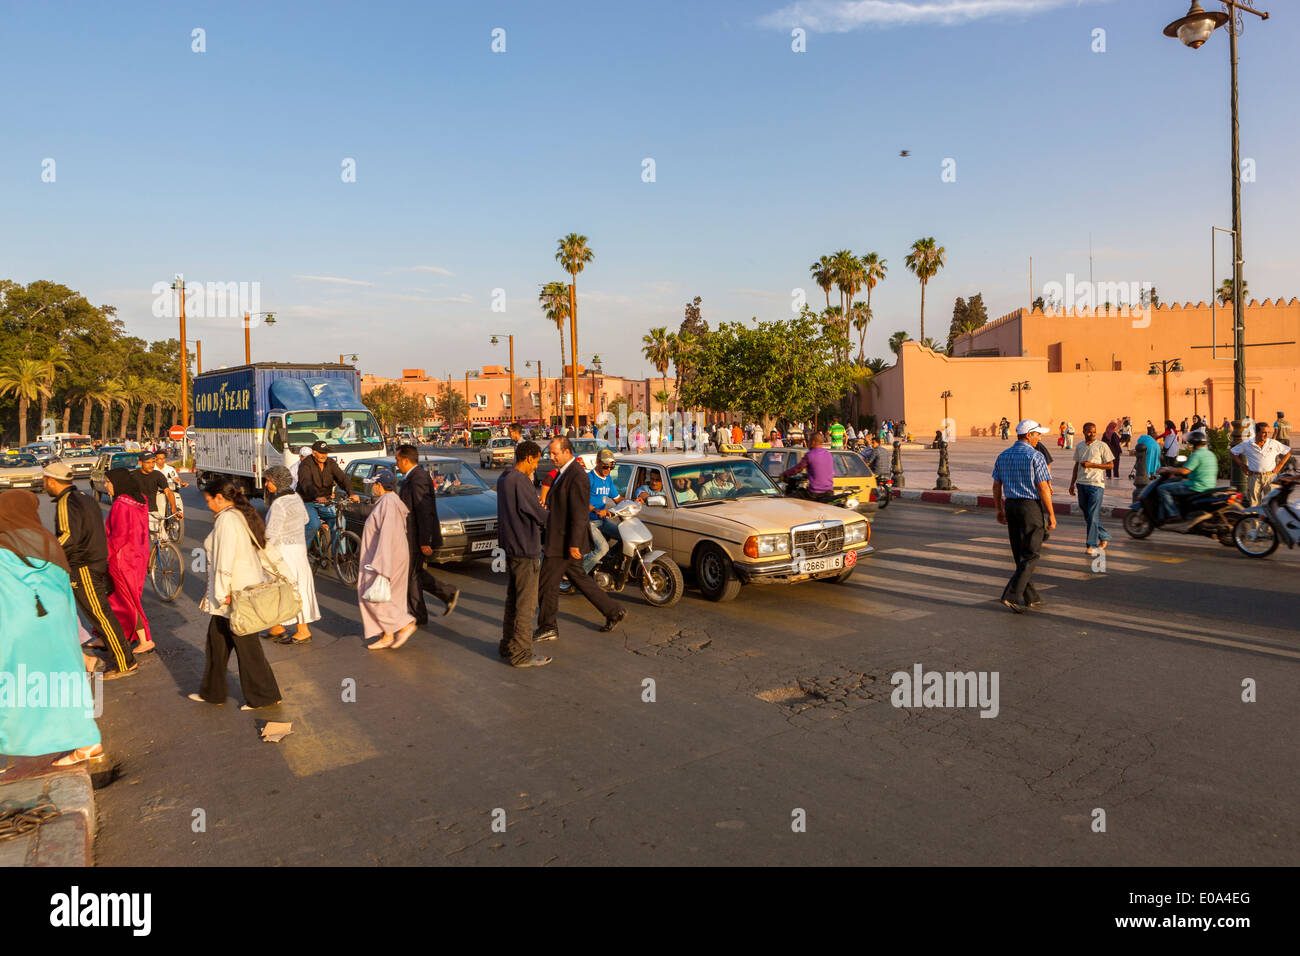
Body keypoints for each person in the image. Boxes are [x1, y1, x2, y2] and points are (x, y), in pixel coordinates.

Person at [0, 490, 103, 767]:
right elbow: (63, 590)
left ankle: (20, 741)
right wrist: (73, 633)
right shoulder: (48, 542)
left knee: (16, 685)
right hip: (57, 625)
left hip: (17, 630)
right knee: (64, 682)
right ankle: (86, 741)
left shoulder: (3, 547)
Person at [190, 478, 282, 709]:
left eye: (209, 500)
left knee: (247, 646)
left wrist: (222, 594)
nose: (208, 504)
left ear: (220, 498)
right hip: (238, 592)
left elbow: (225, 560)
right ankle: (212, 692)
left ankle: (265, 696)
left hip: (233, 595)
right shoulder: (239, 515)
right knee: (217, 642)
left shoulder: (228, 520)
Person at [43, 462, 137, 679]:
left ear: (52, 481)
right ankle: (124, 659)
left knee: (101, 616)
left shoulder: (67, 501)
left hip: (83, 566)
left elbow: (68, 536)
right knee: (102, 615)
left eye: (45, 480)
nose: (44, 484)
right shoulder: (84, 497)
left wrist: (48, 553)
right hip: (94, 563)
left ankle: (125, 662)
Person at [536, 437, 625, 642]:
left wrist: (575, 543)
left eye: (555, 453)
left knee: (547, 583)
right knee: (580, 578)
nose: (552, 457)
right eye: (550, 453)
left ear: (567, 452)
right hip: (561, 537)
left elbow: (579, 513)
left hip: (563, 541)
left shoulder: (577, 476)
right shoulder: (564, 472)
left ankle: (548, 626)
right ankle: (613, 611)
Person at [991, 420, 1056, 613]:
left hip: (1011, 505)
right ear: (1028, 435)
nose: (1040, 438)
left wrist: (999, 509)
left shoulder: (1003, 456)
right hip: (1030, 507)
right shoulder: (1036, 456)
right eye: (1037, 434)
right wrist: (1051, 514)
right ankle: (1011, 595)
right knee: (1032, 553)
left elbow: (996, 486)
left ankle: (1031, 597)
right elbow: (1043, 487)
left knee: (1020, 552)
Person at [496, 441, 551, 667]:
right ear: (529, 458)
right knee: (526, 606)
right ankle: (521, 654)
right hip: (526, 548)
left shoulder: (504, 478)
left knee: (513, 600)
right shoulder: (521, 481)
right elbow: (538, 514)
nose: (536, 467)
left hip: (510, 547)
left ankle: (507, 645)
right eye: (536, 461)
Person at [394, 443, 459, 625]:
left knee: (411, 576)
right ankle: (447, 592)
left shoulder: (418, 478)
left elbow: (424, 511)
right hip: (411, 535)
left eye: (398, 460)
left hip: (415, 537)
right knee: (415, 573)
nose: (396, 464)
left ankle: (418, 615)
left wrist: (425, 541)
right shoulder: (412, 477)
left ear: (406, 460)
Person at [358, 470, 418, 650]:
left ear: (379, 485)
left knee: (372, 596)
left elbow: (387, 535)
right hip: (391, 556)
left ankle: (404, 624)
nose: (372, 488)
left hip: (385, 558)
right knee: (387, 596)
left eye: (373, 485)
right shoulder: (389, 502)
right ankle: (387, 634)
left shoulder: (388, 504)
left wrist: (382, 566)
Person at [262, 465, 319, 645]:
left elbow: (271, 533)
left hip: (283, 553)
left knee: (288, 590)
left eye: (268, 481)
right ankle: (277, 627)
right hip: (299, 550)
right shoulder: (295, 497)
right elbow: (305, 520)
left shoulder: (279, 503)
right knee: (288, 588)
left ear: (277, 482)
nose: (266, 485)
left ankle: (303, 631)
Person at [103, 468, 153, 653]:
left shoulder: (120, 505)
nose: (106, 485)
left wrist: (104, 555)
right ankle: (108, 636)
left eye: (108, 481)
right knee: (120, 598)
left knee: (127, 600)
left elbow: (119, 537)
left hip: (122, 559)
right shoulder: (140, 501)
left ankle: (144, 639)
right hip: (138, 555)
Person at [297, 440, 359, 547]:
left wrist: (351, 493)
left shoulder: (331, 463)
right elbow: (306, 483)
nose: (324, 455)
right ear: (314, 452)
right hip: (307, 501)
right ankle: (303, 550)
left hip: (326, 501)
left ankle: (338, 554)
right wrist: (317, 496)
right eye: (321, 453)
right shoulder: (305, 464)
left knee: (339, 521)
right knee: (314, 524)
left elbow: (343, 479)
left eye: (325, 453)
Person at [1154, 429, 1219, 525]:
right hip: (1209, 486)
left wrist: (1168, 469)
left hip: (1196, 486)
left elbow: (1185, 471)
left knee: (1162, 488)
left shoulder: (1197, 454)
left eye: (1191, 443)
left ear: (1194, 444)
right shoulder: (1210, 454)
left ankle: (1174, 514)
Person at [1068, 422, 1115, 556]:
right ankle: (1104, 535)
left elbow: (1110, 465)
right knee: (1087, 514)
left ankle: (1091, 545)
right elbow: (1076, 466)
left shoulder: (1102, 446)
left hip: (1096, 485)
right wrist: (1072, 484)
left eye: (1094, 431)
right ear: (1083, 431)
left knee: (1092, 514)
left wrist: (1093, 465)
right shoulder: (1080, 446)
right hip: (1081, 484)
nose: (1092, 434)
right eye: (1089, 431)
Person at [1231, 422, 1291, 507]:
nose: (1266, 435)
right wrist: (1242, 465)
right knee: (1254, 504)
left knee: (1272, 504)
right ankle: (1254, 520)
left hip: (1270, 477)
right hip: (1254, 477)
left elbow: (1288, 452)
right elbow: (1232, 452)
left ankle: (1269, 520)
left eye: (1268, 432)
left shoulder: (1273, 443)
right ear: (1256, 433)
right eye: (1263, 432)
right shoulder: (1247, 444)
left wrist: (1280, 465)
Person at [583, 448, 623, 575]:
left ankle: (606, 562)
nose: (608, 469)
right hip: (589, 521)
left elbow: (617, 499)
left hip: (602, 520)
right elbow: (580, 501)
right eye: (605, 465)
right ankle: (579, 574)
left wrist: (633, 502)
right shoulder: (589, 478)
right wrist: (595, 510)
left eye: (610, 466)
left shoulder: (608, 479)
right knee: (602, 548)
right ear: (597, 462)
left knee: (625, 537)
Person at [781, 432, 835, 501]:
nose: (808, 443)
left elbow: (797, 469)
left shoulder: (809, 455)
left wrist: (784, 474)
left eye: (809, 441)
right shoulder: (828, 454)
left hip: (814, 493)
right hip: (829, 492)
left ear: (813, 442)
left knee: (789, 499)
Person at [135, 449, 177, 525]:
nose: (151, 465)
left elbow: (168, 491)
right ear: (140, 463)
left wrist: (173, 509)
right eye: (148, 463)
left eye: (153, 462)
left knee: (159, 535)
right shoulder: (132, 476)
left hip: (152, 512)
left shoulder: (158, 475)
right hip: (136, 513)